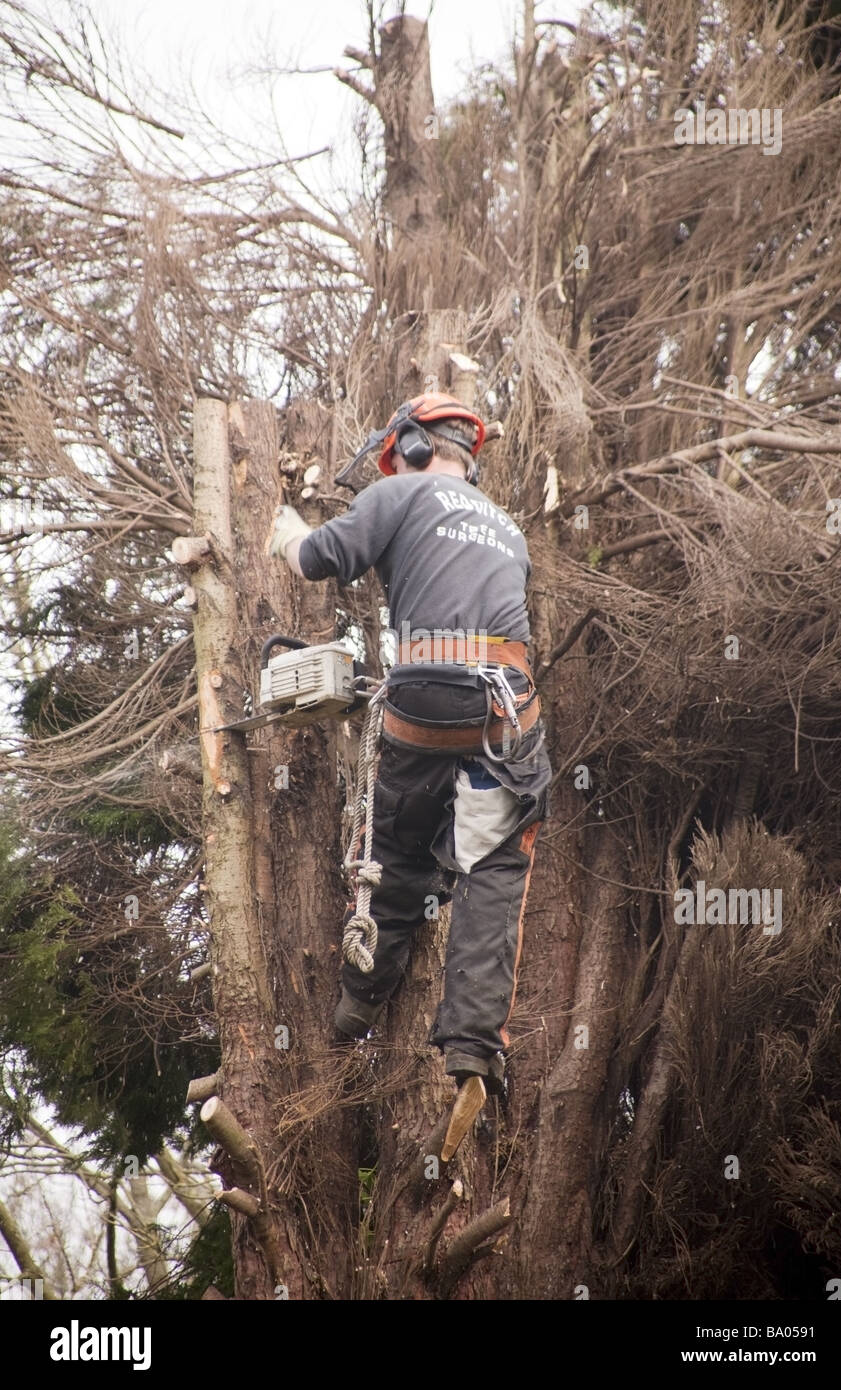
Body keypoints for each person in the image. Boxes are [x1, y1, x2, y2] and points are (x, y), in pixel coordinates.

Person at [267, 393, 552, 1156]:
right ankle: (470, 1049)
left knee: (395, 850)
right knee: (494, 864)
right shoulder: (509, 527)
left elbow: (317, 560)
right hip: (505, 708)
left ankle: (358, 1003)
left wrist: (288, 533)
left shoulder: (397, 491)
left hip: (424, 699)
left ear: (414, 449)